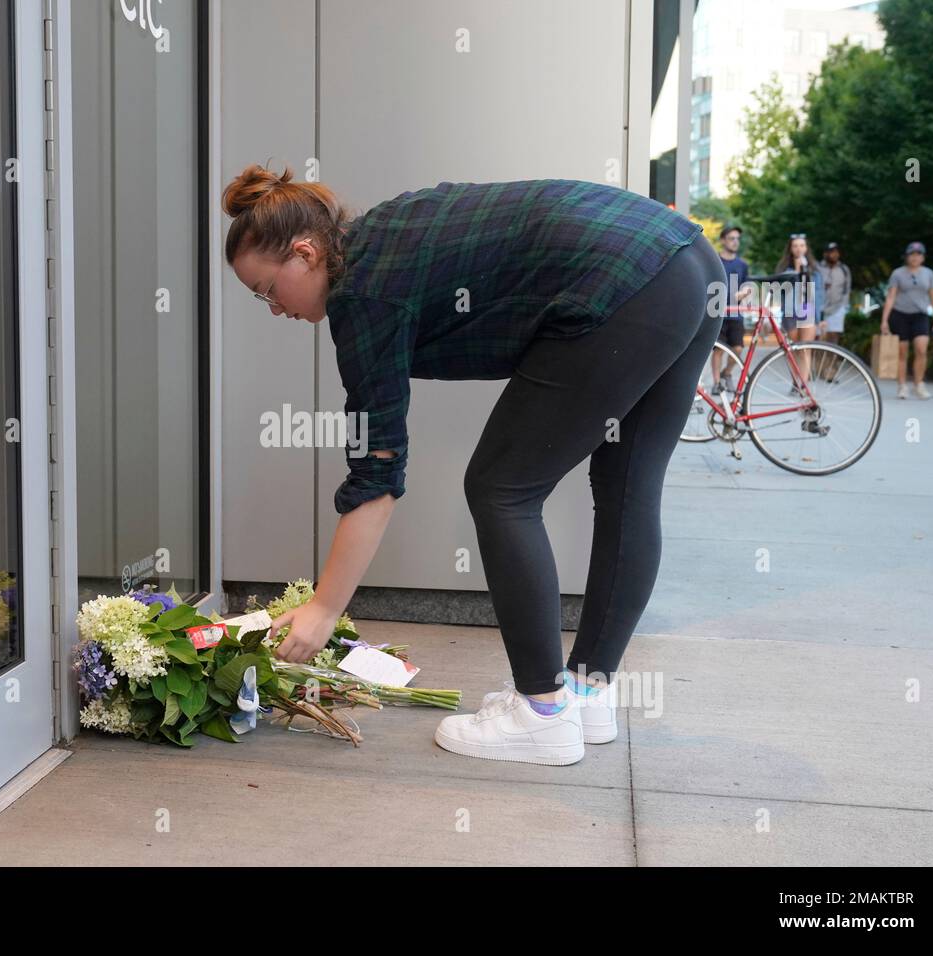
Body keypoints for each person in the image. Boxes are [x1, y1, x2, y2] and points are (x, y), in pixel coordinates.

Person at [223, 165, 724, 767]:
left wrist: (324, 608)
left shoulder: (362, 294)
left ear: (304, 254)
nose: (270, 308)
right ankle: (585, 694)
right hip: (687, 261)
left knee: (501, 487)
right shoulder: (381, 237)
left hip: (623, 280)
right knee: (628, 485)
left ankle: (541, 711)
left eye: (265, 289)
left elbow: (377, 472)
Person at [881, 241, 933, 399]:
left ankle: (919, 384)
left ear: (923, 258)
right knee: (902, 352)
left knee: (921, 349)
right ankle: (902, 386)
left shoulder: (928, 274)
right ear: (907, 257)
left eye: (918, 254)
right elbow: (891, 297)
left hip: (920, 314)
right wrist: (884, 320)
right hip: (900, 314)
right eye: (912, 254)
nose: (915, 257)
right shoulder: (898, 273)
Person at [771, 233, 824, 387]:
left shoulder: (814, 270)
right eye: (795, 246)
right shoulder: (784, 270)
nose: (798, 249)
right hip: (789, 311)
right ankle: (796, 380)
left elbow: (819, 294)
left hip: (808, 309)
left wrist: (820, 318)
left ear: (806, 248)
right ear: (790, 249)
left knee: (806, 348)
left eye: (802, 245)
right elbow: (776, 291)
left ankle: (803, 384)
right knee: (794, 349)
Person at [711, 224, 751, 393]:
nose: (735, 242)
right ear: (723, 240)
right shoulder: (715, 261)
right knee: (719, 349)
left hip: (735, 313)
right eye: (731, 238)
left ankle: (727, 373)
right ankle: (717, 383)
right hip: (718, 312)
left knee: (738, 348)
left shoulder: (742, 265)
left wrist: (745, 292)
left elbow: (747, 285)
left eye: (737, 239)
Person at [815, 241, 851, 345]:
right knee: (818, 337)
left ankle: (832, 360)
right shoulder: (817, 268)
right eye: (831, 252)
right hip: (819, 309)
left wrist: (844, 306)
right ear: (825, 254)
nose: (834, 254)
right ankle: (818, 360)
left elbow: (847, 289)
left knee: (833, 338)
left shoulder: (843, 269)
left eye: (836, 252)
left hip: (837, 307)